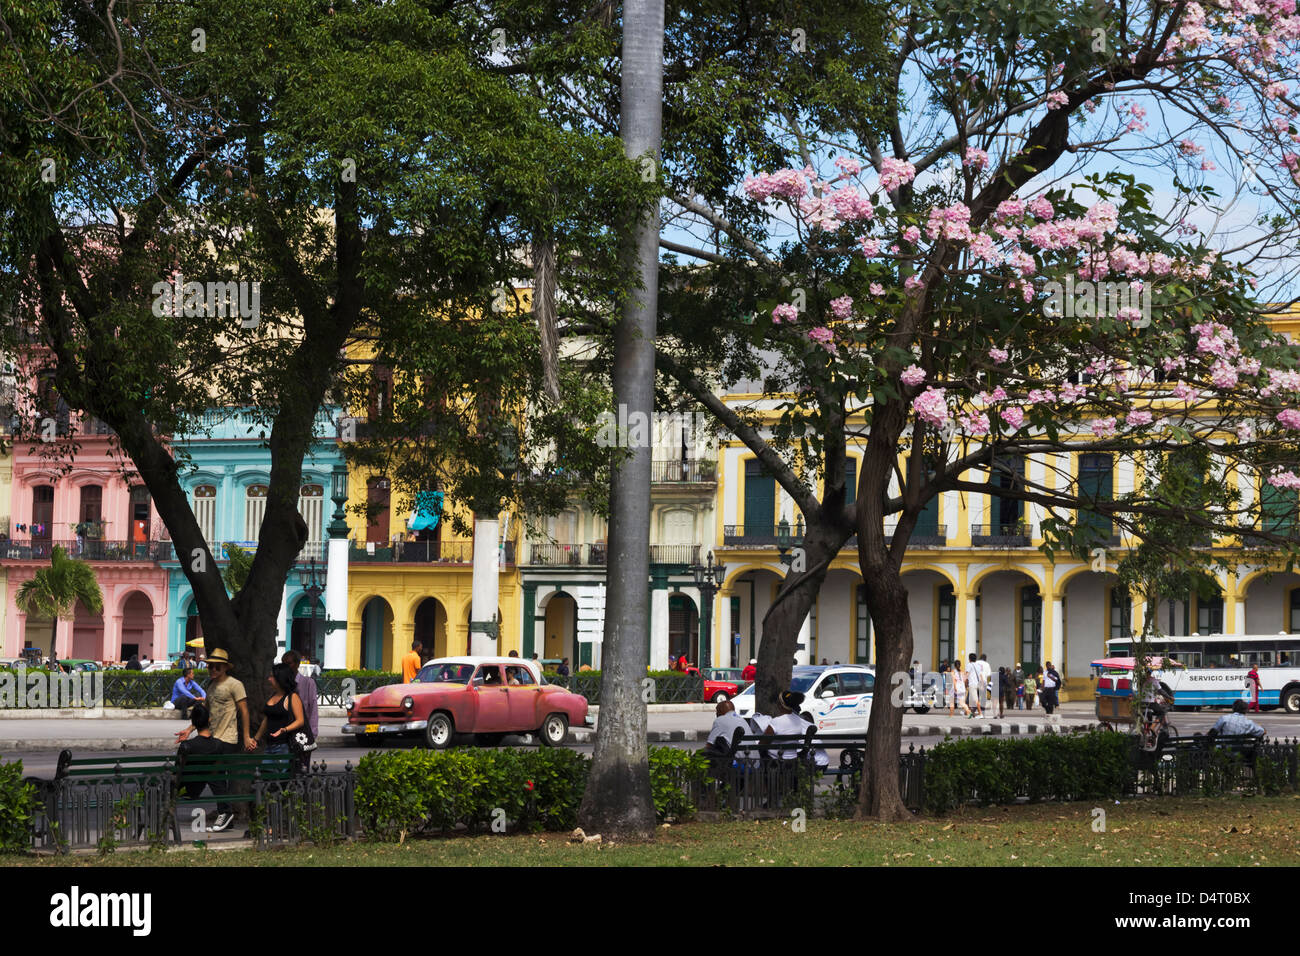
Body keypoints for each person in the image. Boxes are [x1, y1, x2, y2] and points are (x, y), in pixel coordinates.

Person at [173, 648, 247, 833]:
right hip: (214, 738)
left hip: (227, 738)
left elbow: (244, 711)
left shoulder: (235, 684)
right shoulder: (212, 685)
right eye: (210, 667)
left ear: (224, 667)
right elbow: (205, 709)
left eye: (216, 667)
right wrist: (190, 730)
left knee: (214, 774)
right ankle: (224, 813)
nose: (212, 670)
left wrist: (246, 736)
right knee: (212, 773)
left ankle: (225, 812)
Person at [249, 663, 307, 757]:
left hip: (284, 746)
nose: (269, 679)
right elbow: (267, 719)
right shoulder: (273, 695)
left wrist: (284, 730)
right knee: (266, 771)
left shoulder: (292, 697)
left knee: (279, 771)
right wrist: (255, 739)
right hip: (269, 745)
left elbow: (300, 721)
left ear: (280, 678)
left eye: (272, 676)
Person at [176, 704, 225, 800]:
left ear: (193, 722)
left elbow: (177, 770)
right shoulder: (218, 745)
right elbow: (214, 772)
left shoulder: (187, 745)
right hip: (199, 789)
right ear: (209, 720)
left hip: (185, 790)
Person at [283, 650, 318, 739]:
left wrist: (312, 733)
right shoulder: (281, 684)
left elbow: (313, 708)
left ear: (297, 664)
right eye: (284, 664)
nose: (286, 667)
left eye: (289, 663)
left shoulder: (308, 683)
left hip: (302, 732)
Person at [966, 653, 984, 718]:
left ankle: (980, 714)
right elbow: (981, 675)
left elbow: (967, 675)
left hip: (972, 684)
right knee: (970, 700)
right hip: (978, 684)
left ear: (969, 659)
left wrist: (964, 681)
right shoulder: (978, 665)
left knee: (975, 700)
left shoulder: (969, 665)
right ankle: (970, 714)